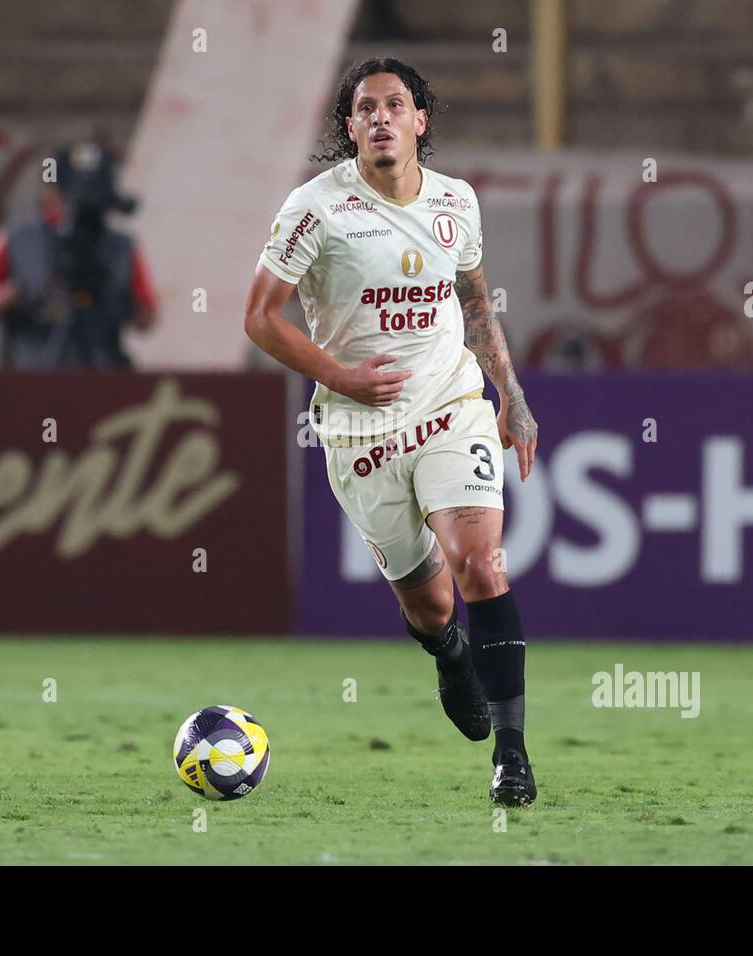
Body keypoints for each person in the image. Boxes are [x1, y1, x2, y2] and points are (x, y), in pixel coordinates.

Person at [243, 58, 540, 805]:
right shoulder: (314, 210)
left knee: (481, 563)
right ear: (349, 127)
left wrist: (512, 394)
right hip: (357, 430)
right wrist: (341, 378)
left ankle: (512, 755)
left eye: (394, 104)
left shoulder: (456, 202)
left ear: (419, 121)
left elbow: (475, 304)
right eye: (364, 107)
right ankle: (447, 652)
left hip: (449, 404)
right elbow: (258, 317)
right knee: (432, 606)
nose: (380, 116)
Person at [0, 141, 156, 368]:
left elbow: (147, 314)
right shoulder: (15, 239)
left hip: (103, 370)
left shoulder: (121, 245)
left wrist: (126, 307)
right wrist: (6, 298)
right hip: (36, 373)